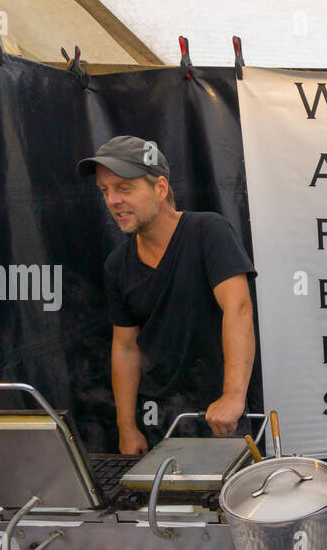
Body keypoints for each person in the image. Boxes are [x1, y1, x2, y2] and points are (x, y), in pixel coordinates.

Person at [78, 136, 257, 455]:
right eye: (105, 191)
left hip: (218, 419)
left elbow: (239, 309)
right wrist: (127, 428)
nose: (112, 200)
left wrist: (232, 396)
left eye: (124, 188)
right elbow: (125, 346)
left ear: (160, 188)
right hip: (157, 424)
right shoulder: (117, 265)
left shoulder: (208, 232)